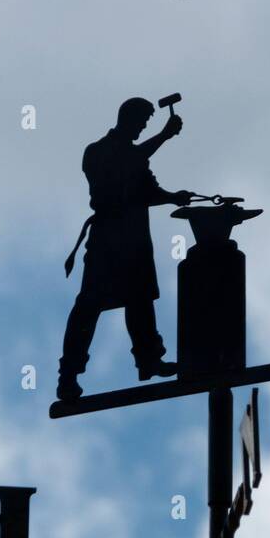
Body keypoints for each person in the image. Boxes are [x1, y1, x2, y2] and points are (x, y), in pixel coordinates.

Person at [58, 97, 191, 401]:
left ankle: (148, 360)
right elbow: (125, 164)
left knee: (141, 301)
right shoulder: (97, 152)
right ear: (127, 119)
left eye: (147, 124)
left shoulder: (135, 157)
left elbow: (147, 190)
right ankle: (68, 375)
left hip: (134, 241)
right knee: (88, 306)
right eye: (142, 122)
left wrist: (173, 197)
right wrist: (164, 136)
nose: (143, 128)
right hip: (108, 241)